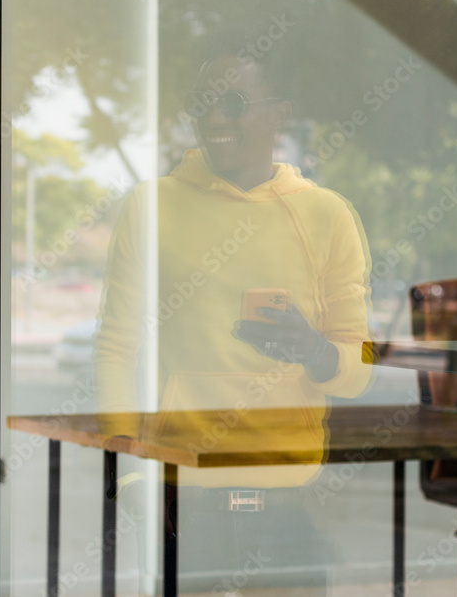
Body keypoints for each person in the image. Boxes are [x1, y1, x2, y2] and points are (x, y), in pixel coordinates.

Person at [94, 49, 372, 590]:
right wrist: (128, 477)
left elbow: (361, 364)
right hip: (184, 503)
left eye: (234, 102)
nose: (216, 118)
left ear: (278, 113)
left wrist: (314, 351)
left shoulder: (326, 214)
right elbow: (114, 349)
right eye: (203, 103)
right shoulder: (150, 206)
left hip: (296, 505)